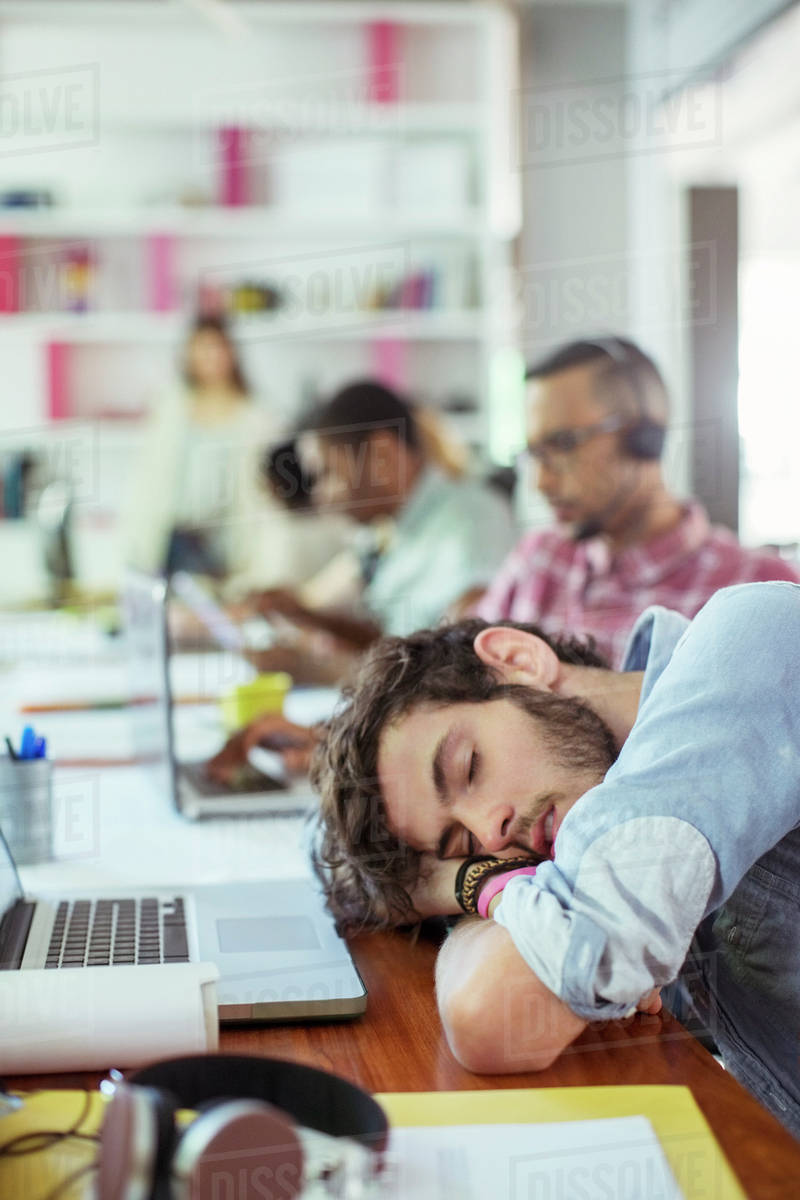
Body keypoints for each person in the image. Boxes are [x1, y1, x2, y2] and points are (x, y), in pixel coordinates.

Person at [311, 582, 800, 1139]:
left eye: (469, 766)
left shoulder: (752, 644)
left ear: (519, 661)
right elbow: (345, 886)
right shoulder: (598, 819)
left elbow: (490, 1016)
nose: (489, 834)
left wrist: (471, 883)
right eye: (462, 847)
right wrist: (489, 884)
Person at [476, 337, 800, 666]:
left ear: (642, 436)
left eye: (563, 444)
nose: (541, 482)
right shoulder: (537, 559)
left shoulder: (759, 585)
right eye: (535, 454)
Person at [238, 380, 517, 672]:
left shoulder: (469, 524)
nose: (322, 495)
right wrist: (307, 616)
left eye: (328, 473)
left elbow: (456, 670)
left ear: (382, 455)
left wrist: (316, 669)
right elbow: (398, 642)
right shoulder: (400, 528)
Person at [124, 314, 280, 592]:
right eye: (202, 348)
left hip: (226, 542)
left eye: (217, 348)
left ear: (231, 353)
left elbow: (262, 492)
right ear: (189, 355)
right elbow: (149, 477)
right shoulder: (170, 407)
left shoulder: (256, 417)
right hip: (173, 536)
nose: (211, 357)